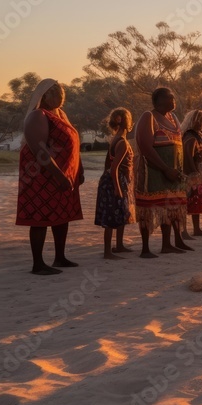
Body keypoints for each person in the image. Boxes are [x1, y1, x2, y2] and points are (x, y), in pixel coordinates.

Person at [16, 79, 84, 275]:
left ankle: (60, 257)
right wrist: (58, 175)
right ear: (44, 95)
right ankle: (38, 264)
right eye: (57, 94)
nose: (61, 97)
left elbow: (74, 145)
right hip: (41, 177)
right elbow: (40, 149)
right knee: (40, 218)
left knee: (61, 217)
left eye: (63, 94)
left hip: (63, 176)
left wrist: (79, 170)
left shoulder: (61, 115)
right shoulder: (38, 115)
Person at [134, 87, 190, 258]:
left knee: (169, 209)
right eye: (170, 98)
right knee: (148, 210)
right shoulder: (148, 117)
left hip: (173, 173)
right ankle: (145, 248)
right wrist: (165, 169)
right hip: (154, 172)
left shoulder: (173, 118)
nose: (174, 101)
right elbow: (145, 147)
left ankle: (167, 244)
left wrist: (177, 171)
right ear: (158, 101)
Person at [94, 108, 135, 260]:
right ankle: (107, 252)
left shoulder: (116, 139)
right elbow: (114, 169)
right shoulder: (122, 142)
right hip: (115, 181)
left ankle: (119, 245)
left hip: (114, 180)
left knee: (120, 213)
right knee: (111, 216)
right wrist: (118, 188)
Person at [181, 109, 202, 240]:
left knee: (196, 203)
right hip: (192, 176)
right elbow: (187, 157)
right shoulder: (190, 138)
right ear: (192, 121)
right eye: (199, 121)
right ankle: (184, 231)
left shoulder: (197, 136)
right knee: (187, 203)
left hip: (200, 174)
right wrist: (194, 174)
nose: (201, 124)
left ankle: (196, 229)